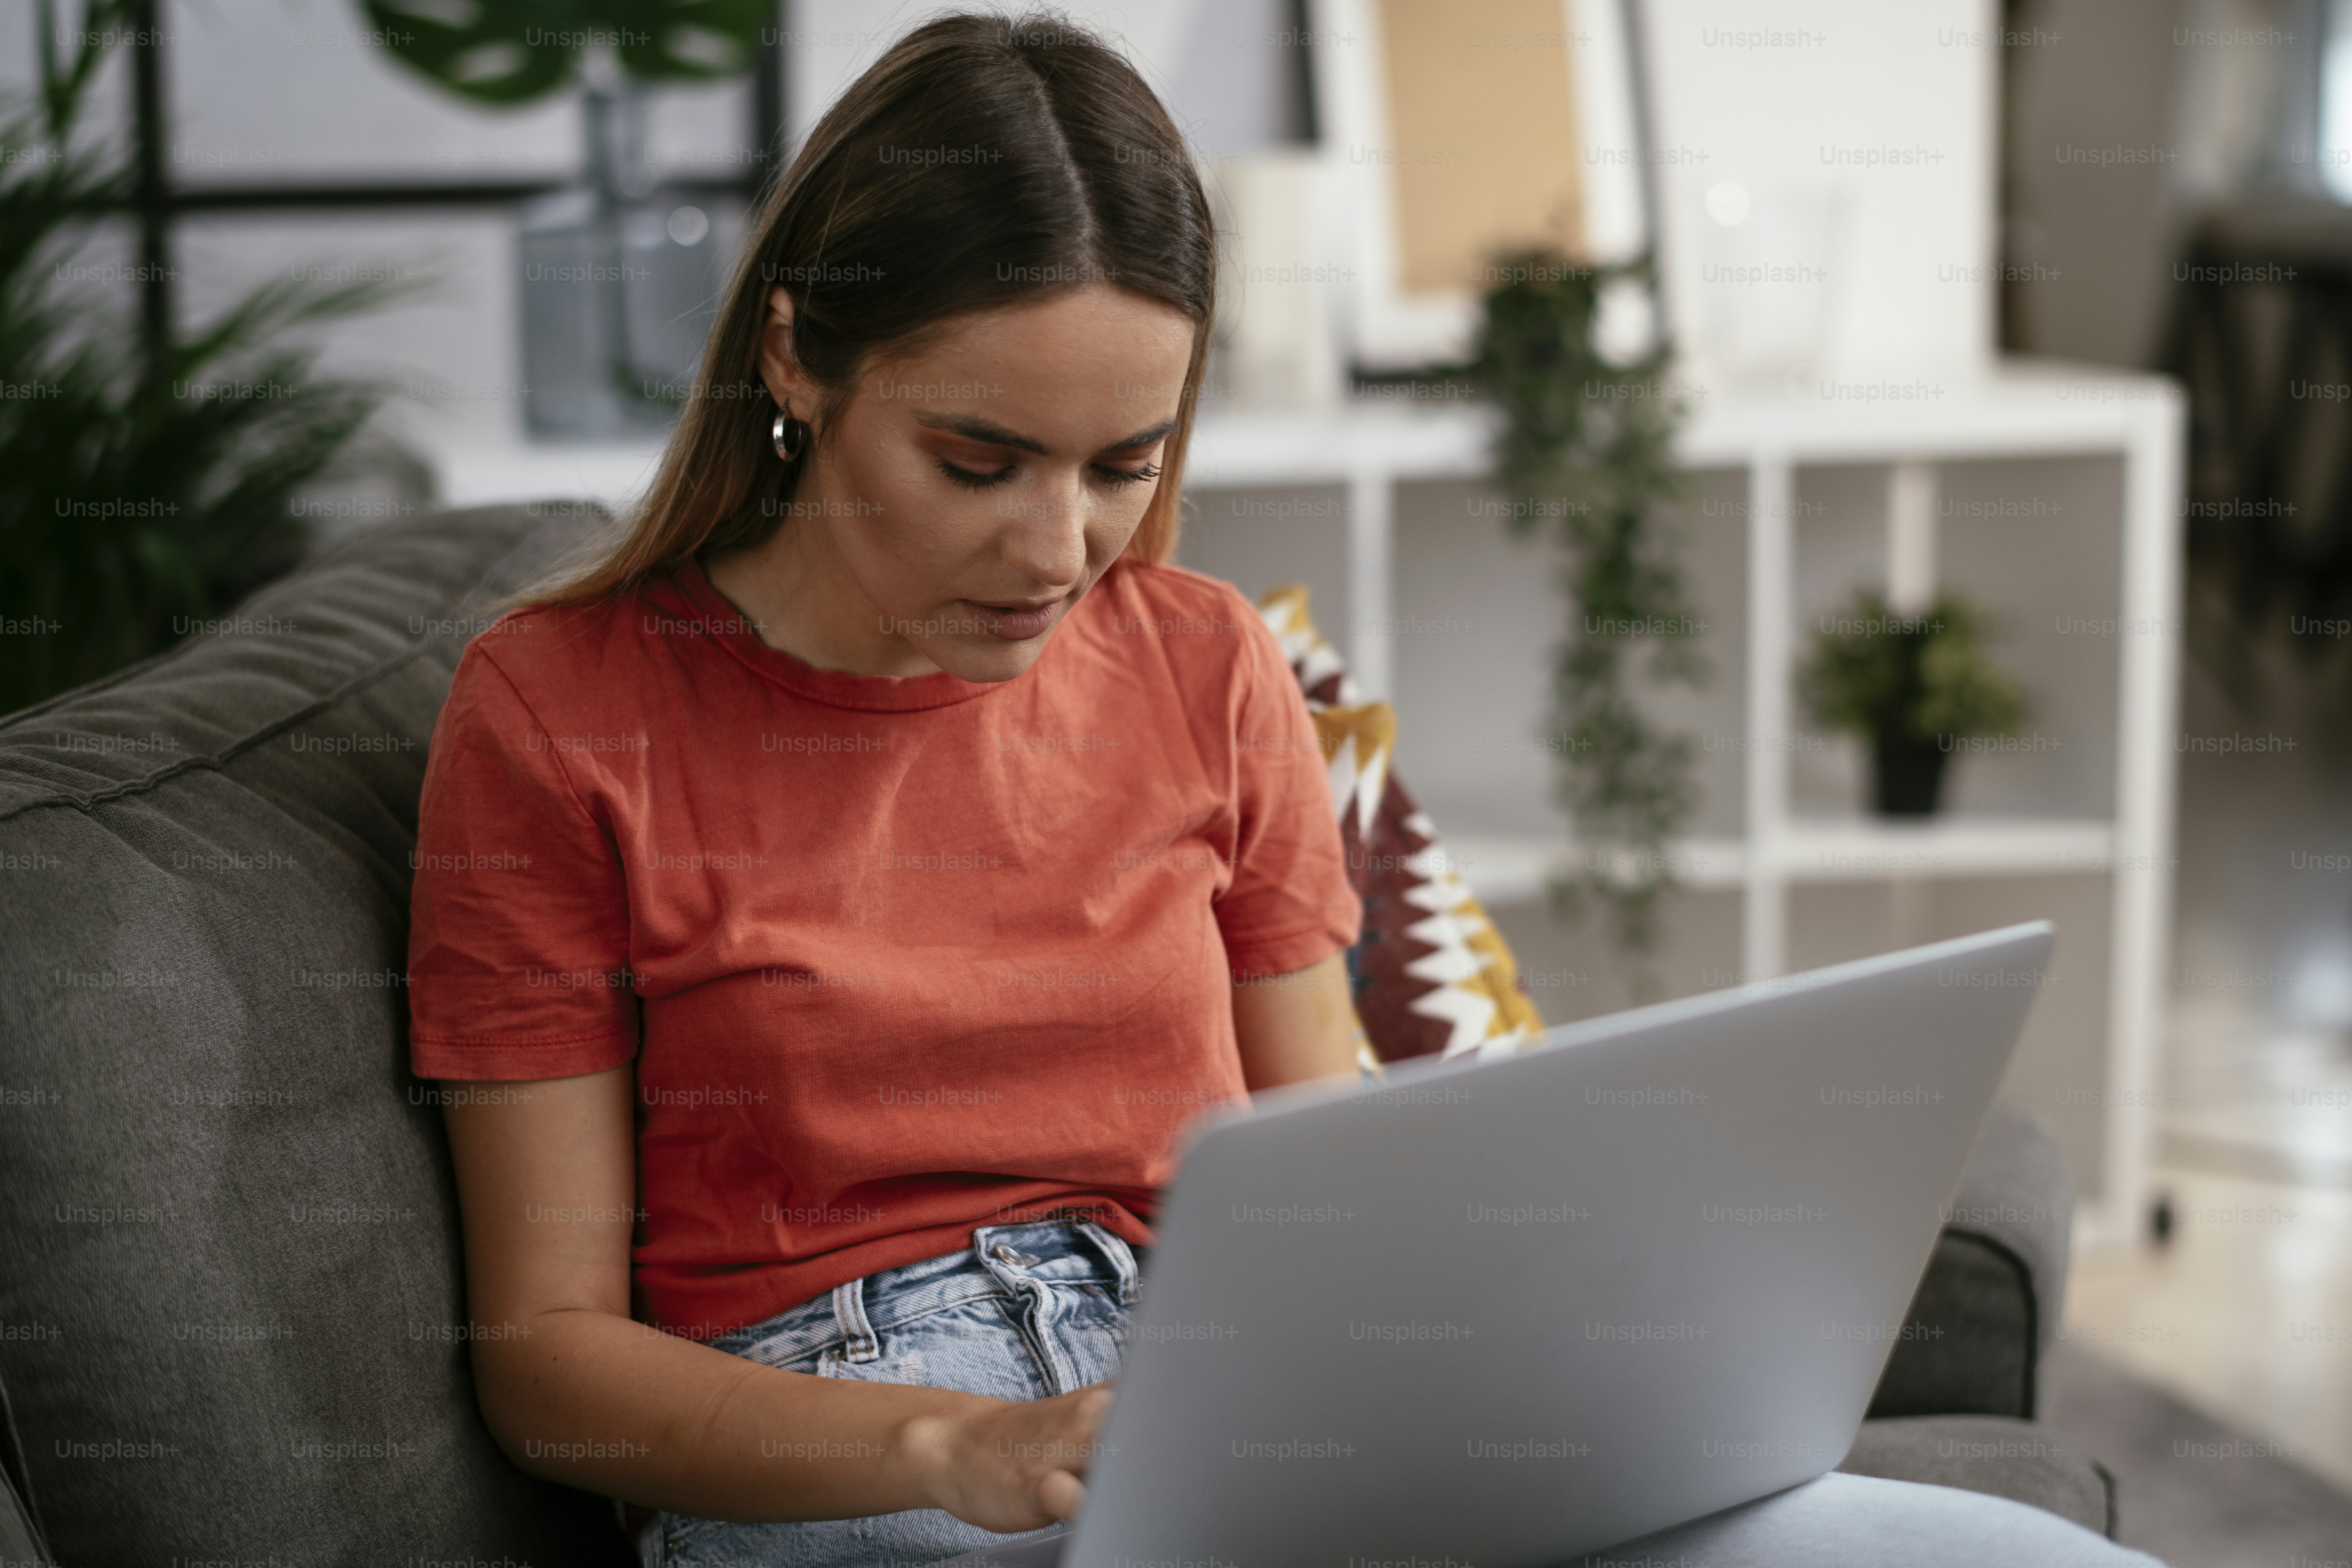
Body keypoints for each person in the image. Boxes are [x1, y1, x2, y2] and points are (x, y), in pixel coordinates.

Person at [406, 13, 2166, 1567]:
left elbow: (1330, 1185)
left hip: (1224, 1405)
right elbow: (549, 1364)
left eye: (1124, 467)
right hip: (851, 1449)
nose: (1055, 550)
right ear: (794, 357)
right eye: (976, 461)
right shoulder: (562, 712)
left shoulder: (1203, 663)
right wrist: (953, 1448)